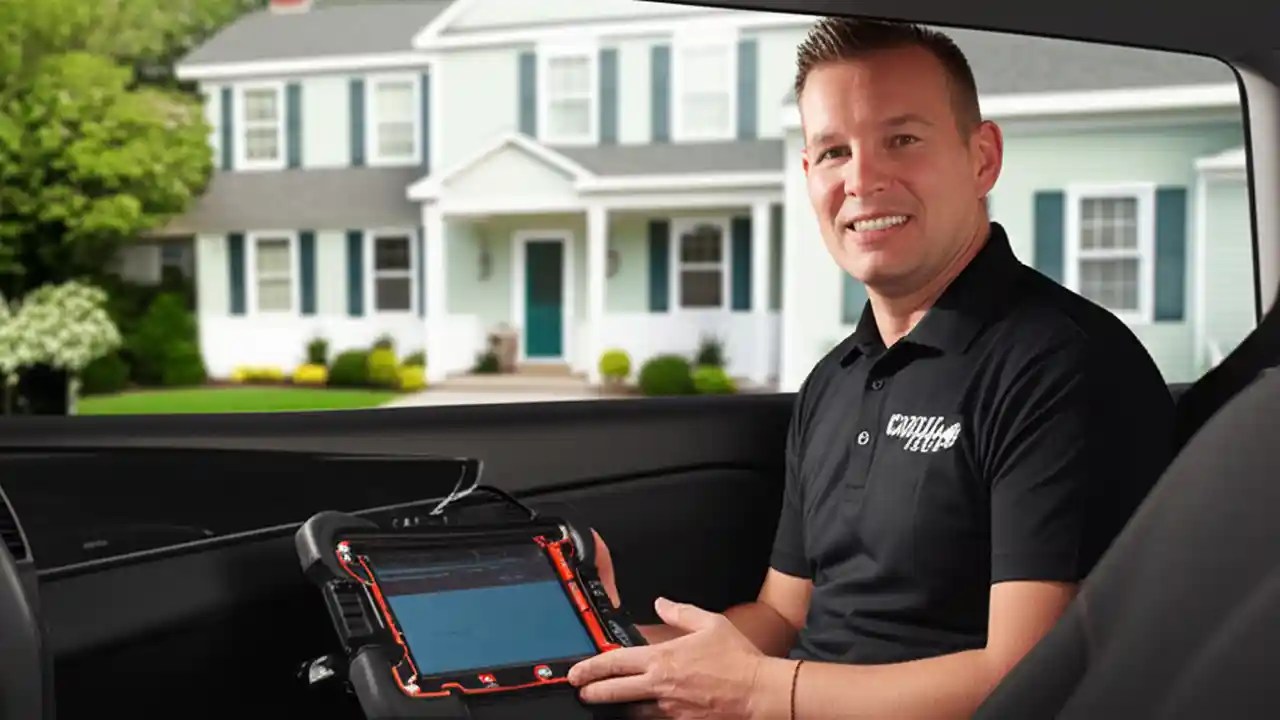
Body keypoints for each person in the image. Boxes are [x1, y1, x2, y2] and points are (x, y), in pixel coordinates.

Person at [567, 16, 1175, 719]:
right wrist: (612, 649)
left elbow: (1030, 677)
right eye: (833, 152)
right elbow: (780, 617)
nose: (862, 180)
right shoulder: (835, 380)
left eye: (902, 140)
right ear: (808, 176)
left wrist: (765, 694)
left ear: (982, 158)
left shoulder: (1060, 367)